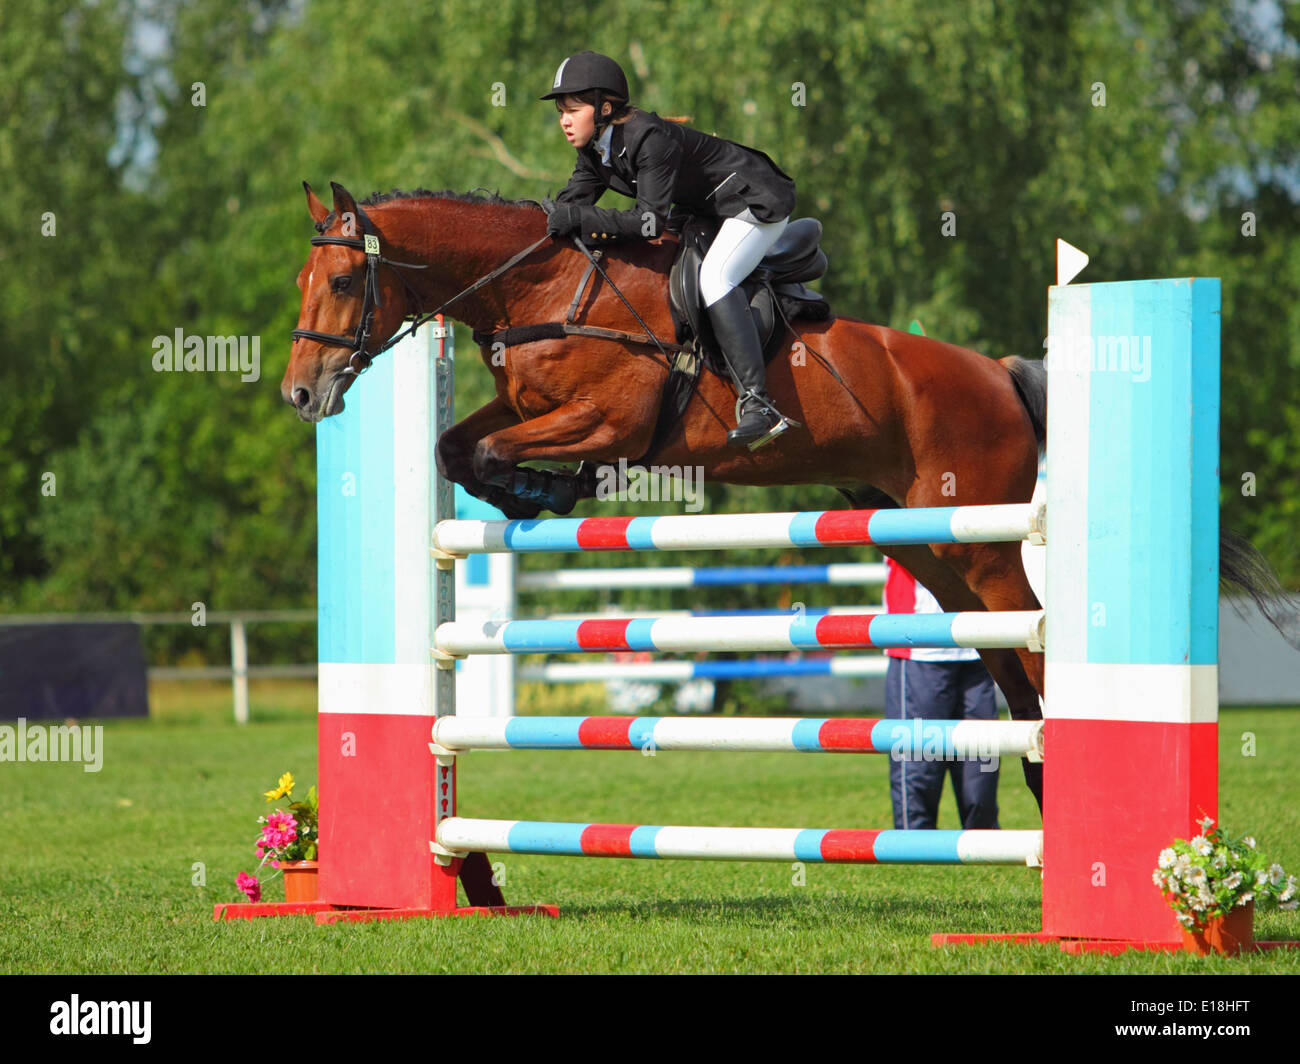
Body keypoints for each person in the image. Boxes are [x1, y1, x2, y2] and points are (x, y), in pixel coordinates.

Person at [541, 50, 798, 450]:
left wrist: (578, 219)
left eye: (573, 109)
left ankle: (759, 404)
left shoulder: (648, 138)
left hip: (751, 201)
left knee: (716, 278)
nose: (564, 120)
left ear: (604, 107)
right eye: (561, 111)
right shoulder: (594, 151)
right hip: (706, 210)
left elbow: (649, 223)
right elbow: (569, 207)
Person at [882, 556, 1001, 830]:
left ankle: (985, 846)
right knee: (918, 768)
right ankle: (914, 850)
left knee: (982, 767)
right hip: (918, 648)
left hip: (978, 646)